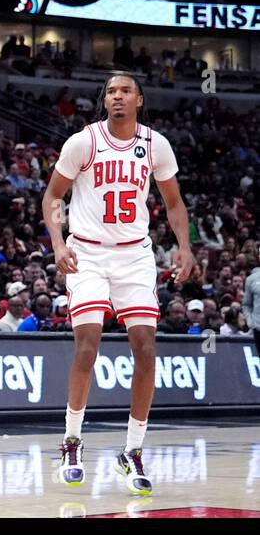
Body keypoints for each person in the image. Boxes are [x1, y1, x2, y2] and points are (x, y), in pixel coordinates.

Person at [43, 71, 191, 497]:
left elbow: (174, 202)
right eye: (111, 91)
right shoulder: (83, 142)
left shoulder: (155, 144)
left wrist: (184, 247)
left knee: (146, 349)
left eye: (125, 90)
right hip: (86, 253)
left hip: (134, 256)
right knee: (87, 344)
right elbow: (52, 197)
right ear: (104, 100)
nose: (117, 96)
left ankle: (133, 450)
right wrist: (57, 243)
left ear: (140, 100)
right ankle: (72, 442)